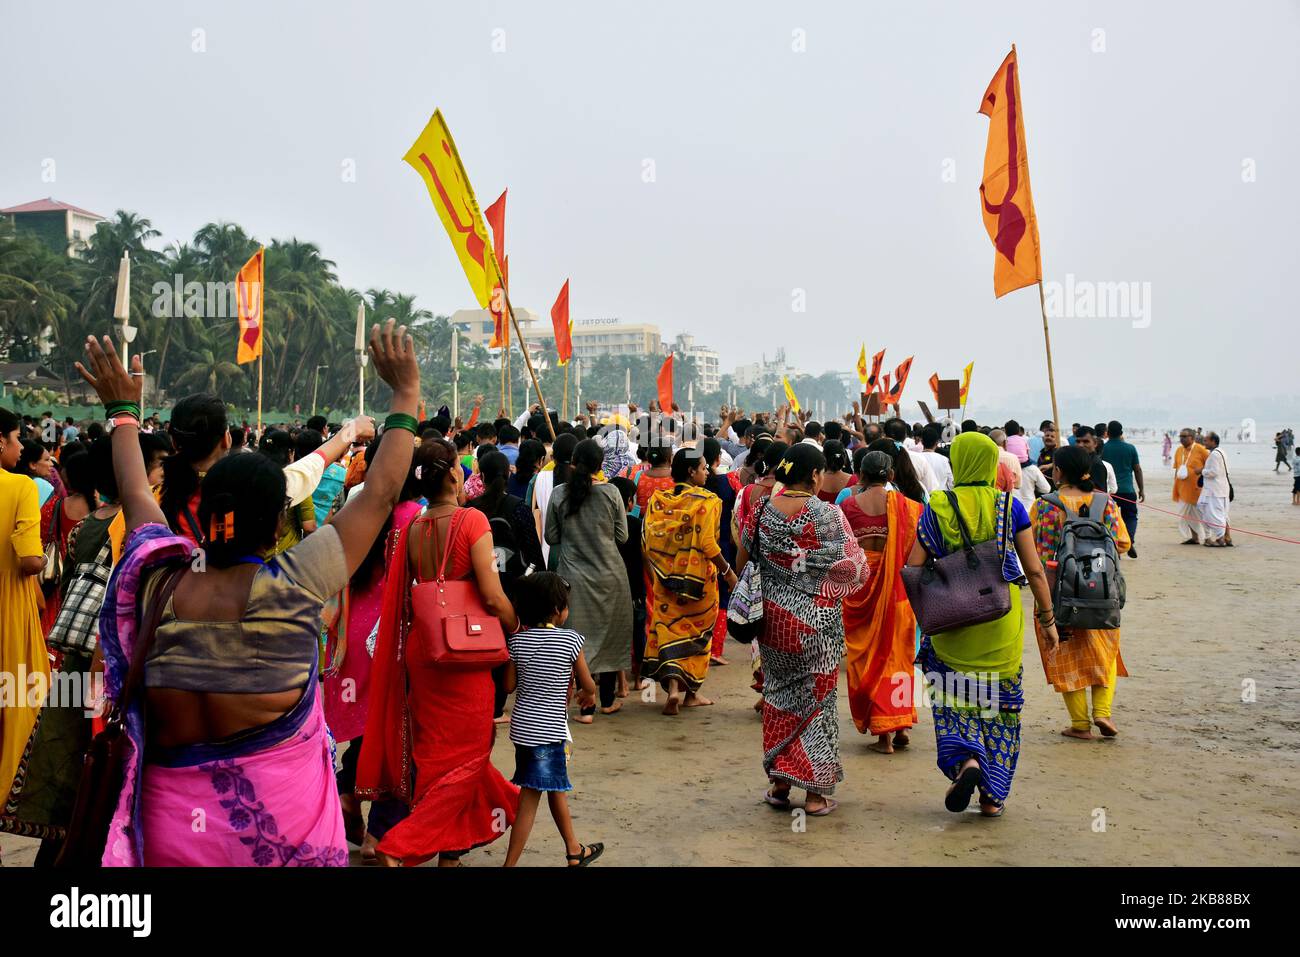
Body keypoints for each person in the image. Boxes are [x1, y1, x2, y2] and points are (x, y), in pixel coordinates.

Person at [74, 321, 417, 867]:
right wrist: (404, 394)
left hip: (172, 834)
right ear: (277, 519)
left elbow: (135, 490)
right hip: (278, 837)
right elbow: (381, 491)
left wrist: (122, 411)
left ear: (206, 516)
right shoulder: (298, 582)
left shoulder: (157, 577)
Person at [358, 431, 522, 867]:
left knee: (435, 754)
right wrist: (515, 622)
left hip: (425, 651)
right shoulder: (473, 523)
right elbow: (491, 593)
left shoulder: (412, 527)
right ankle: (400, 845)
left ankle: (449, 852)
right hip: (466, 656)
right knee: (468, 756)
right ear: (453, 473)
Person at [906, 432, 1059, 818]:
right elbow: (1036, 571)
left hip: (951, 627)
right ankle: (993, 796)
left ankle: (967, 763)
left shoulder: (937, 506)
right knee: (1002, 709)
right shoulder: (1010, 507)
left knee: (955, 700)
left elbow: (913, 567)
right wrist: (1048, 619)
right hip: (1001, 623)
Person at [735, 444, 869, 816]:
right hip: (819, 627)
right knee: (818, 704)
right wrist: (819, 581)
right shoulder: (827, 514)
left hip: (773, 623)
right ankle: (814, 794)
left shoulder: (761, 511)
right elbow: (856, 569)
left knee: (778, 695)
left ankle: (779, 783)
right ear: (814, 476)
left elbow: (743, 558)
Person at [325, 432, 423, 862]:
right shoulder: (416, 516)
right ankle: (378, 834)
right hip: (393, 635)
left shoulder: (357, 507)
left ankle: (347, 790)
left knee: (368, 723)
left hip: (351, 630)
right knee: (399, 735)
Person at [501, 572, 604, 867]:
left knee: (555, 787)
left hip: (523, 732)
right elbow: (589, 684)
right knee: (531, 798)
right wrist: (588, 696)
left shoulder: (517, 642)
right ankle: (509, 865)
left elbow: (508, 687)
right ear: (558, 610)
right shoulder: (571, 641)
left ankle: (574, 850)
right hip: (550, 733)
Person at [1030, 446, 1130, 739]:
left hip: (1057, 591)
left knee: (1064, 654)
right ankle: (1102, 712)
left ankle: (1080, 724)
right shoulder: (1105, 503)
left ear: (1058, 471)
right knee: (1104, 651)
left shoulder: (1046, 505)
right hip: (1101, 588)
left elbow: (1035, 549)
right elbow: (1122, 542)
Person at [642, 447, 737, 715]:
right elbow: (708, 543)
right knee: (698, 635)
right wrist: (728, 572)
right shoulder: (708, 501)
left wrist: (658, 571)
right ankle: (691, 695)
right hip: (700, 583)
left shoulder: (658, 500)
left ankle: (673, 690)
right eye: (704, 468)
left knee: (670, 630)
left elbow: (648, 541)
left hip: (665, 578)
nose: (707, 472)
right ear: (691, 472)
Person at [544, 438, 634, 721]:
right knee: (609, 637)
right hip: (610, 576)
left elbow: (551, 536)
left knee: (576, 640)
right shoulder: (611, 493)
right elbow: (622, 536)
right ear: (600, 466)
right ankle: (607, 700)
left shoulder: (559, 494)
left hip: (573, 578)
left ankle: (585, 706)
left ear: (572, 463)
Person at [840, 450, 921, 753]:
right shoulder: (909, 508)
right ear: (890, 476)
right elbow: (915, 551)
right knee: (897, 655)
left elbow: (843, 551)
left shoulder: (847, 506)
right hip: (897, 588)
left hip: (859, 586)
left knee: (866, 658)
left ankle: (883, 735)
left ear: (860, 475)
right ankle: (899, 727)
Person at [0, 408, 50, 816]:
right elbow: (31, 560)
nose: (21, 446)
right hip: (8, 610)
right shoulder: (21, 487)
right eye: (17, 438)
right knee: (16, 701)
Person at [609, 477, 648, 691]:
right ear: (629, 502)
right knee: (637, 632)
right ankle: (639, 679)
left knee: (616, 633)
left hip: (613, 587)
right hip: (635, 587)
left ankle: (621, 682)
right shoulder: (635, 524)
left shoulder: (606, 525)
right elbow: (645, 557)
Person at [532, 432, 576, 567]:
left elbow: (531, 514)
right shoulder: (585, 482)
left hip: (546, 552)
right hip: (577, 555)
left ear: (552, 457)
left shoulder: (539, 479)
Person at [1100, 420, 1144, 557]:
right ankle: (1129, 540)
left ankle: (1114, 545)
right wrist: (1141, 489)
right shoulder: (1130, 448)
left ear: (1108, 433)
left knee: (1109, 519)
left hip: (1109, 491)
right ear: (1121, 433)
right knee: (1130, 517)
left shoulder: (1103, 448)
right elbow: (1137, 470)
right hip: (1127, 490)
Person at [1172, 428, 1209, 544]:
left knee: (1202, 515)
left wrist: (1200, 470)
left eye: (1184, 436)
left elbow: (1211, 465)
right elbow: (1176, 468)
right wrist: (1175, 484)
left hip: (1197, 490)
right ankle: (1195, 537)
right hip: (1182, 489)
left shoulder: (1201, 450)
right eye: (1180, 436)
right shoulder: (1179, 450)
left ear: (1192, 438)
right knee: (1186, 514)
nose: (1181, 439)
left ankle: (1208, 537)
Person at [1198, 432, 1232, 547]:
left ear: (1213, 441)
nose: (1204, 443)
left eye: (1206, 440)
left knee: (1214, 514)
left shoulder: (1214, 455)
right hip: (1220, 488)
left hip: (1214, 490)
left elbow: (1213, 472)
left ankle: (1220, 538)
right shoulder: (1221, 452)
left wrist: (1201, 471)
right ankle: (1223, 537)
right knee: (1219, 513)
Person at [14, 439, 56, 506]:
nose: (51, 464)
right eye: (47, 460)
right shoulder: (42, 485)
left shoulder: (14, 481)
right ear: (33, 465)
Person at [919, 423, 953, 491]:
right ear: (937, 443)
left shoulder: (916, 458)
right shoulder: (944, 460)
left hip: (921, 499)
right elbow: (951, 483)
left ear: (922, 442)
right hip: (941, 498)